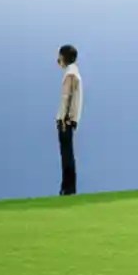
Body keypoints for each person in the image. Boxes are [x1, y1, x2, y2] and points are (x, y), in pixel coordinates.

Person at [56, 44, 84, 196]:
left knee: (66, 156)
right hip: (70, 120)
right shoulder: (74, 73)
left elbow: (66, 98)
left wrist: (62, 119)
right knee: (68, 155)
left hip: (65, 121)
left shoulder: (70, 75)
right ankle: (68, 187)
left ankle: (68, 188)